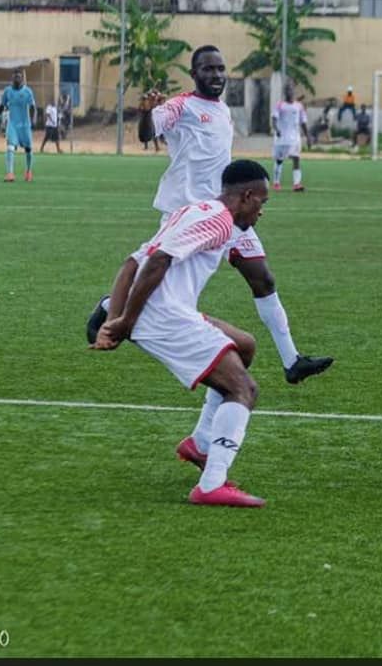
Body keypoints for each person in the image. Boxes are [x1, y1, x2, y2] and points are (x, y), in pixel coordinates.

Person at [87, 45, 332, 386]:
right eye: (208, 69)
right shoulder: (181, 106)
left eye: (220, 69)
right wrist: (146, 112)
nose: (216, 75)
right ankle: (112, 308)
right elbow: (147, 132)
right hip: (191, 215)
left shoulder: (223, 111)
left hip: (229, 212)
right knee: (166, 292)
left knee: (263, 279)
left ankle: (292, 361)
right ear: (194, 74)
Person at [91, 159, 272, 508]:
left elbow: (132, 262)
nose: (261, 212)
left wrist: (113, 319)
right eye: (262, 202)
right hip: (162, 316)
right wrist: (126, 321)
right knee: (244, 388)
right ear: (247, 196)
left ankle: (201, 444)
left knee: (245, 346)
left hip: (162, 309)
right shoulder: (218, 222)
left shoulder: (194, 211)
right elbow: (158, 261)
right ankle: (212, 484)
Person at [0, 68, 36, 182]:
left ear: (22, 78)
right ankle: (10, 173)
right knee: (10, 147)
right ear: (12, 78)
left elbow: (32, 107)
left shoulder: (27, 92)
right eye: (15, 76)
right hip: (12, 124)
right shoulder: (8, 91)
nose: (17, 78)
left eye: (19, 76)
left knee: (28, 149)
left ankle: (28, 171)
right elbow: (2, 106)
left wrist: (33, 120)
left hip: (25, 125)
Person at [271, 80, 310, 192]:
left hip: (294, 138)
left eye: (291, 89)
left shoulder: (299, 106)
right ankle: (276, 182)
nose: (289, 91)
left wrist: (308, 137)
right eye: (287, 89)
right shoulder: (280, 105)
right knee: (279, 160)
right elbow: (274, 119)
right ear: (285, 92)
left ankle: (297, 184)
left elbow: (303, 122)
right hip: (281, 138)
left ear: (294, 91)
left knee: (296, 158)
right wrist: (276, 129)